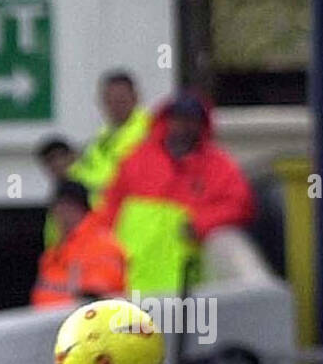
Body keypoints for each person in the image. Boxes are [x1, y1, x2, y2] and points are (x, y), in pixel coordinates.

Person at [95, 91, 255, 295]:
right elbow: (110, 208)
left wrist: (201, 223)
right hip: (131, 276)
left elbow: (240, 204)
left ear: (200, 124)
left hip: (185, 282)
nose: (185, 126)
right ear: (167, 120)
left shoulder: (218, 165)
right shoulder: (137, 159)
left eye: (191, 119)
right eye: (179, 118)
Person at [30, 181, 127, 307]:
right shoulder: (56, 251)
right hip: (46, 321)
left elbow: (99, 296)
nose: (57, 214)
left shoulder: (102, 245)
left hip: (80, 322)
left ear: (76, 206)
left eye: (62, 206)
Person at [67, 71, 152, 205]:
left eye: (121, 99)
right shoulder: (101, 138)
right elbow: (84, 173)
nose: (115, 106)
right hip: (104, 216)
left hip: (133, 216)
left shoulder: (149, 133)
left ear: (135, 98)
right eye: (109, 100)